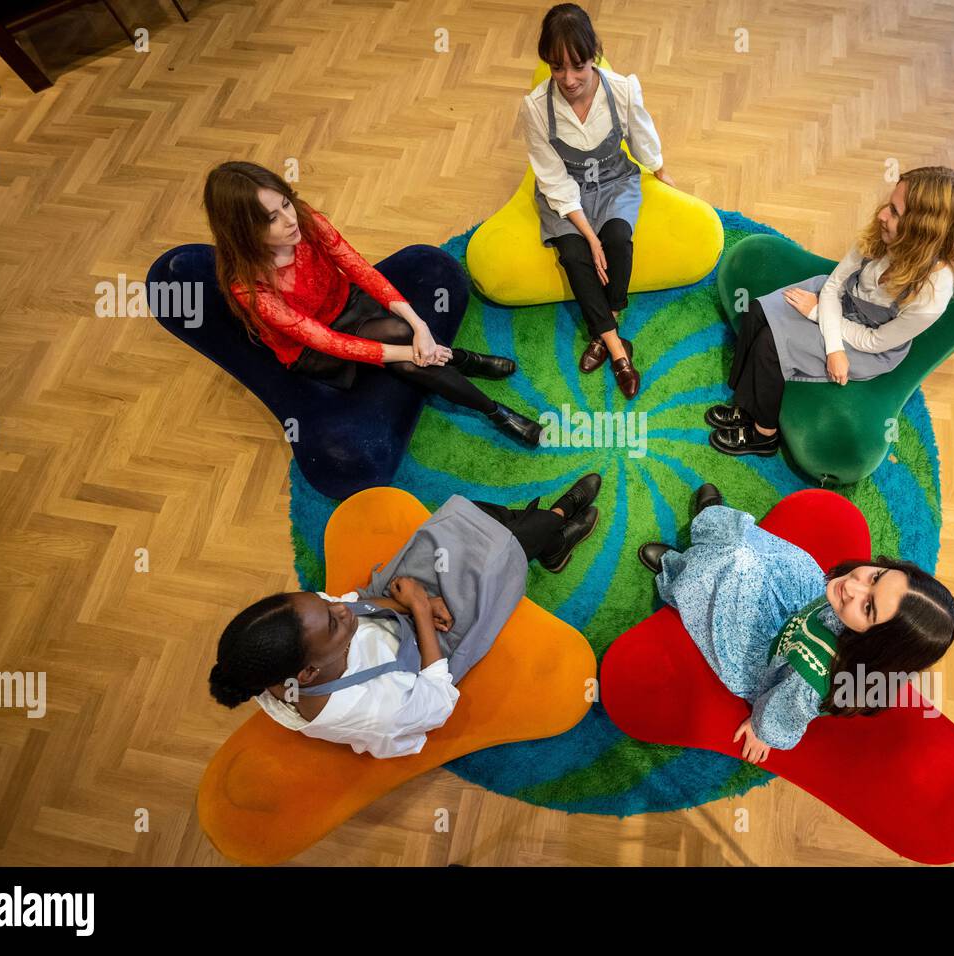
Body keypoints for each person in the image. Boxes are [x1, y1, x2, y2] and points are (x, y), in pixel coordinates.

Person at [207, 474, 602, 758]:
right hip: (429, 657)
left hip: (397, 614)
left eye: (322, 600)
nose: (341, 606)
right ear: (309, 674)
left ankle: (550, 537)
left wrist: (411, 601)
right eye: (332, 620)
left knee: (465, 519)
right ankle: (557, 519)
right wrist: (420, 610)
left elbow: (355, 604)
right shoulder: (365, 713)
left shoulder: (290, 649)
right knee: (496, 554)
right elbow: (437, 699)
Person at [203, 161, 543, 445]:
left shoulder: (304, 220)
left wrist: (419, 325)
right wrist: (411, 351)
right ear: (243, 230)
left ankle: (462, 363)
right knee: (405, 354)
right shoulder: (250, 288)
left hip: (348, 301)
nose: (290, 220)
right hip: (314, 350)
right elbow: (327, 341)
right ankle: (492, 408)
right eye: (271, 218)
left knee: (404, 333)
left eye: (285, 204)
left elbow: (358, 269)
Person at [637, 484, 954, 760]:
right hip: (799, 607)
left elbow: (784, 712)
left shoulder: (809, 681)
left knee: (736, 563)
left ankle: (679, 567)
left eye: (869, 606)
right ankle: (713, 535)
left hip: (760, 649)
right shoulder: (859, 627)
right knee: (755, 553)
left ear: (876, 642)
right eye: (876, 576)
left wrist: (763, 730)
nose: (853, 586)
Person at [709, 166, 954, 456]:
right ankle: (744, 406)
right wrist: (824, 321)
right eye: (890, 205)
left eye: (895, 213)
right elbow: (834, 286)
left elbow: (875, 342)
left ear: (923, 230)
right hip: (838, 304)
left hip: (864, 343)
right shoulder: (881, 234)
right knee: (758, 311)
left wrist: (826, 330)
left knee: (769, 345)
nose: (883, 215)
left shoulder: (932, 294)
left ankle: (764, 434)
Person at [523, 3, 677, 399]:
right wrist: (588, 238)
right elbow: (553, 179)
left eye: (578, 66)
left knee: (619, 242)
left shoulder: (622, 90)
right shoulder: (536, 109)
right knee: (575, 256)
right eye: (557, 68)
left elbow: (642, 133)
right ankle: (617, 350)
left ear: (594, 56)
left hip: (613, 182)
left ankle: (605, 327)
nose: (569, 79)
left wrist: (658, 168)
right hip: (566, 194)